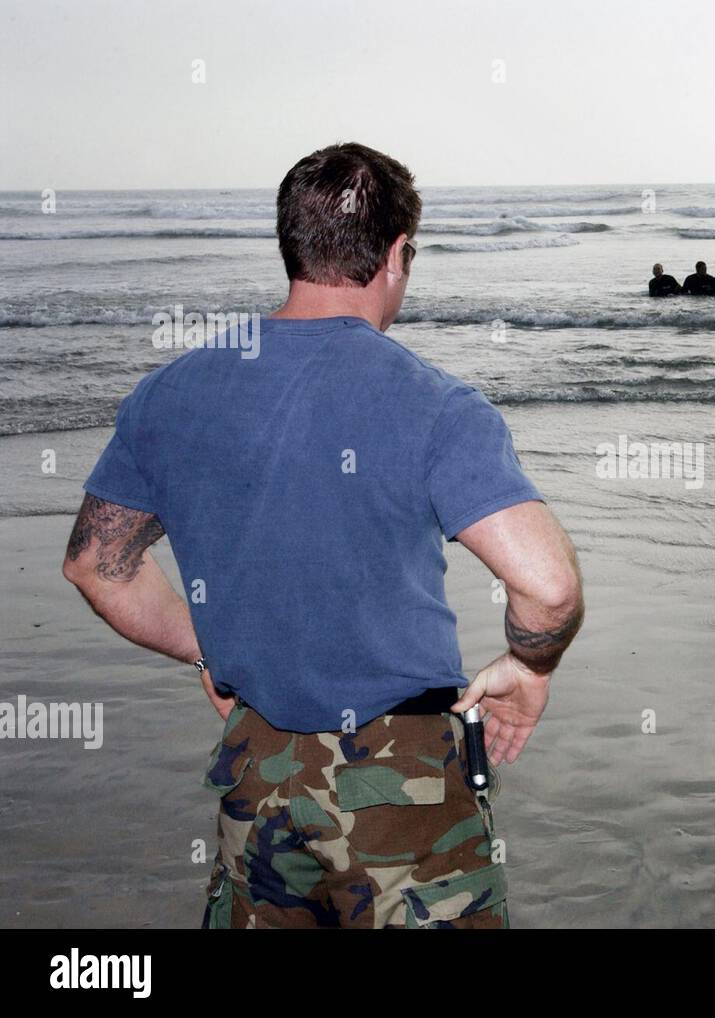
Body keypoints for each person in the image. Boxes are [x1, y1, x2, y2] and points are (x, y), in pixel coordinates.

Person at [62, 143, 585, 930]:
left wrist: (205, 648)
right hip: (401, 782)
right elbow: (548, 588)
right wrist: (528, 665)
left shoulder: (171, 394)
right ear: (398, 254)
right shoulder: (436, 406)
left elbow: (97, 567)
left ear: (293, 243)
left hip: (256, 768)